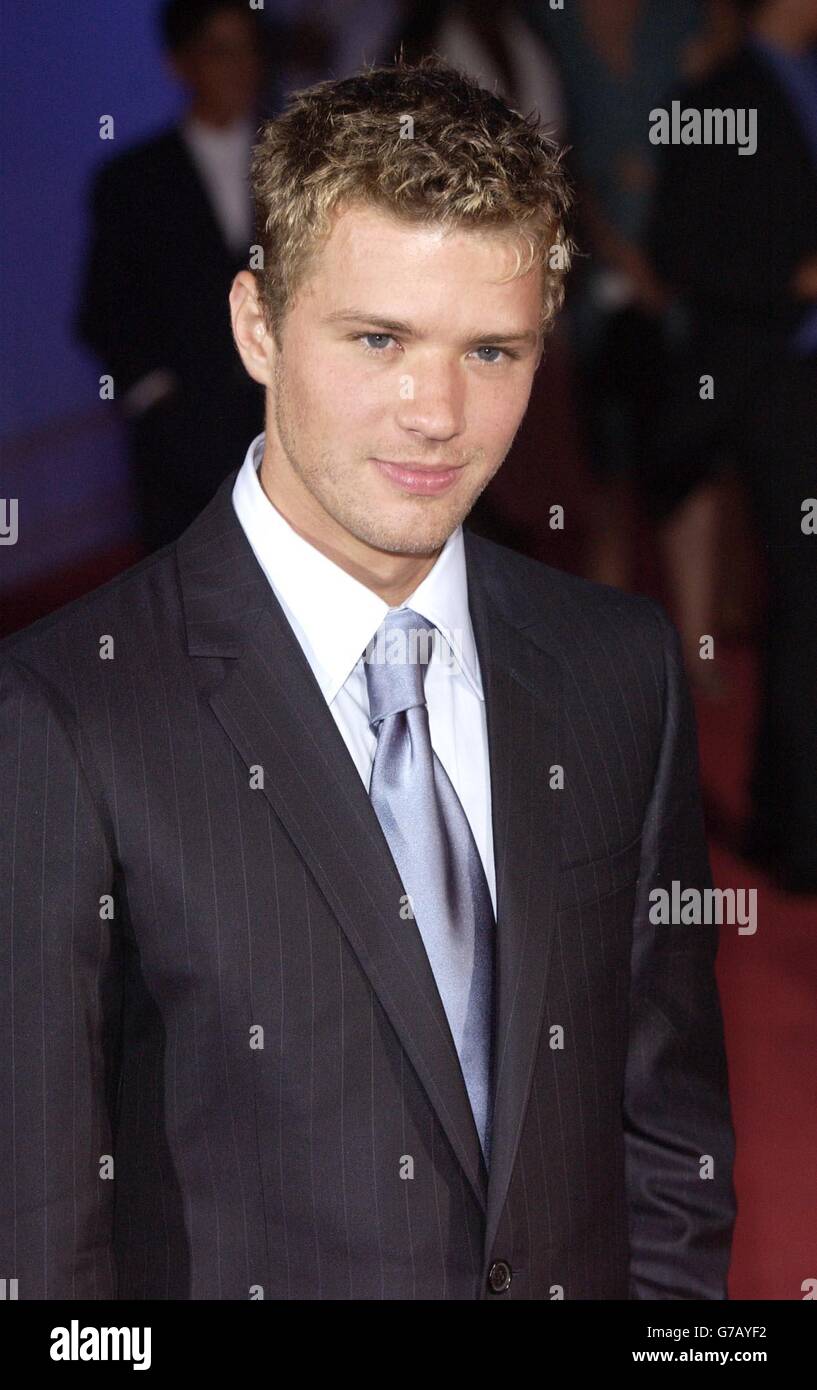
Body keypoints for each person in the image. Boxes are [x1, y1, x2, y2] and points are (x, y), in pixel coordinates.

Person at [0, 57, 735, 1301]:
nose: (436, 412)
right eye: (379, 338)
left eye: (491, 350)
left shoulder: (620, 668)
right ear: (257, 326)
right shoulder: (64, 713)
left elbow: (666, 1129)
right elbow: (40, 1236)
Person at [647, 0, 817, 892]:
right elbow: (677, 245)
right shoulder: (717, 96)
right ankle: (794, 833)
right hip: (768, 380)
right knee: (805, 594)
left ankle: (781, 814)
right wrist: (790, 279)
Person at [74, 0, 273, 554]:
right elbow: (103, 308)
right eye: (219, 51)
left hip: (296, 430)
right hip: (183, 457)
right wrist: (159, 400)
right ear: (180, 63)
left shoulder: (302, 160)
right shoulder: (132, 181)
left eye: (249, 50)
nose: (239, 68)